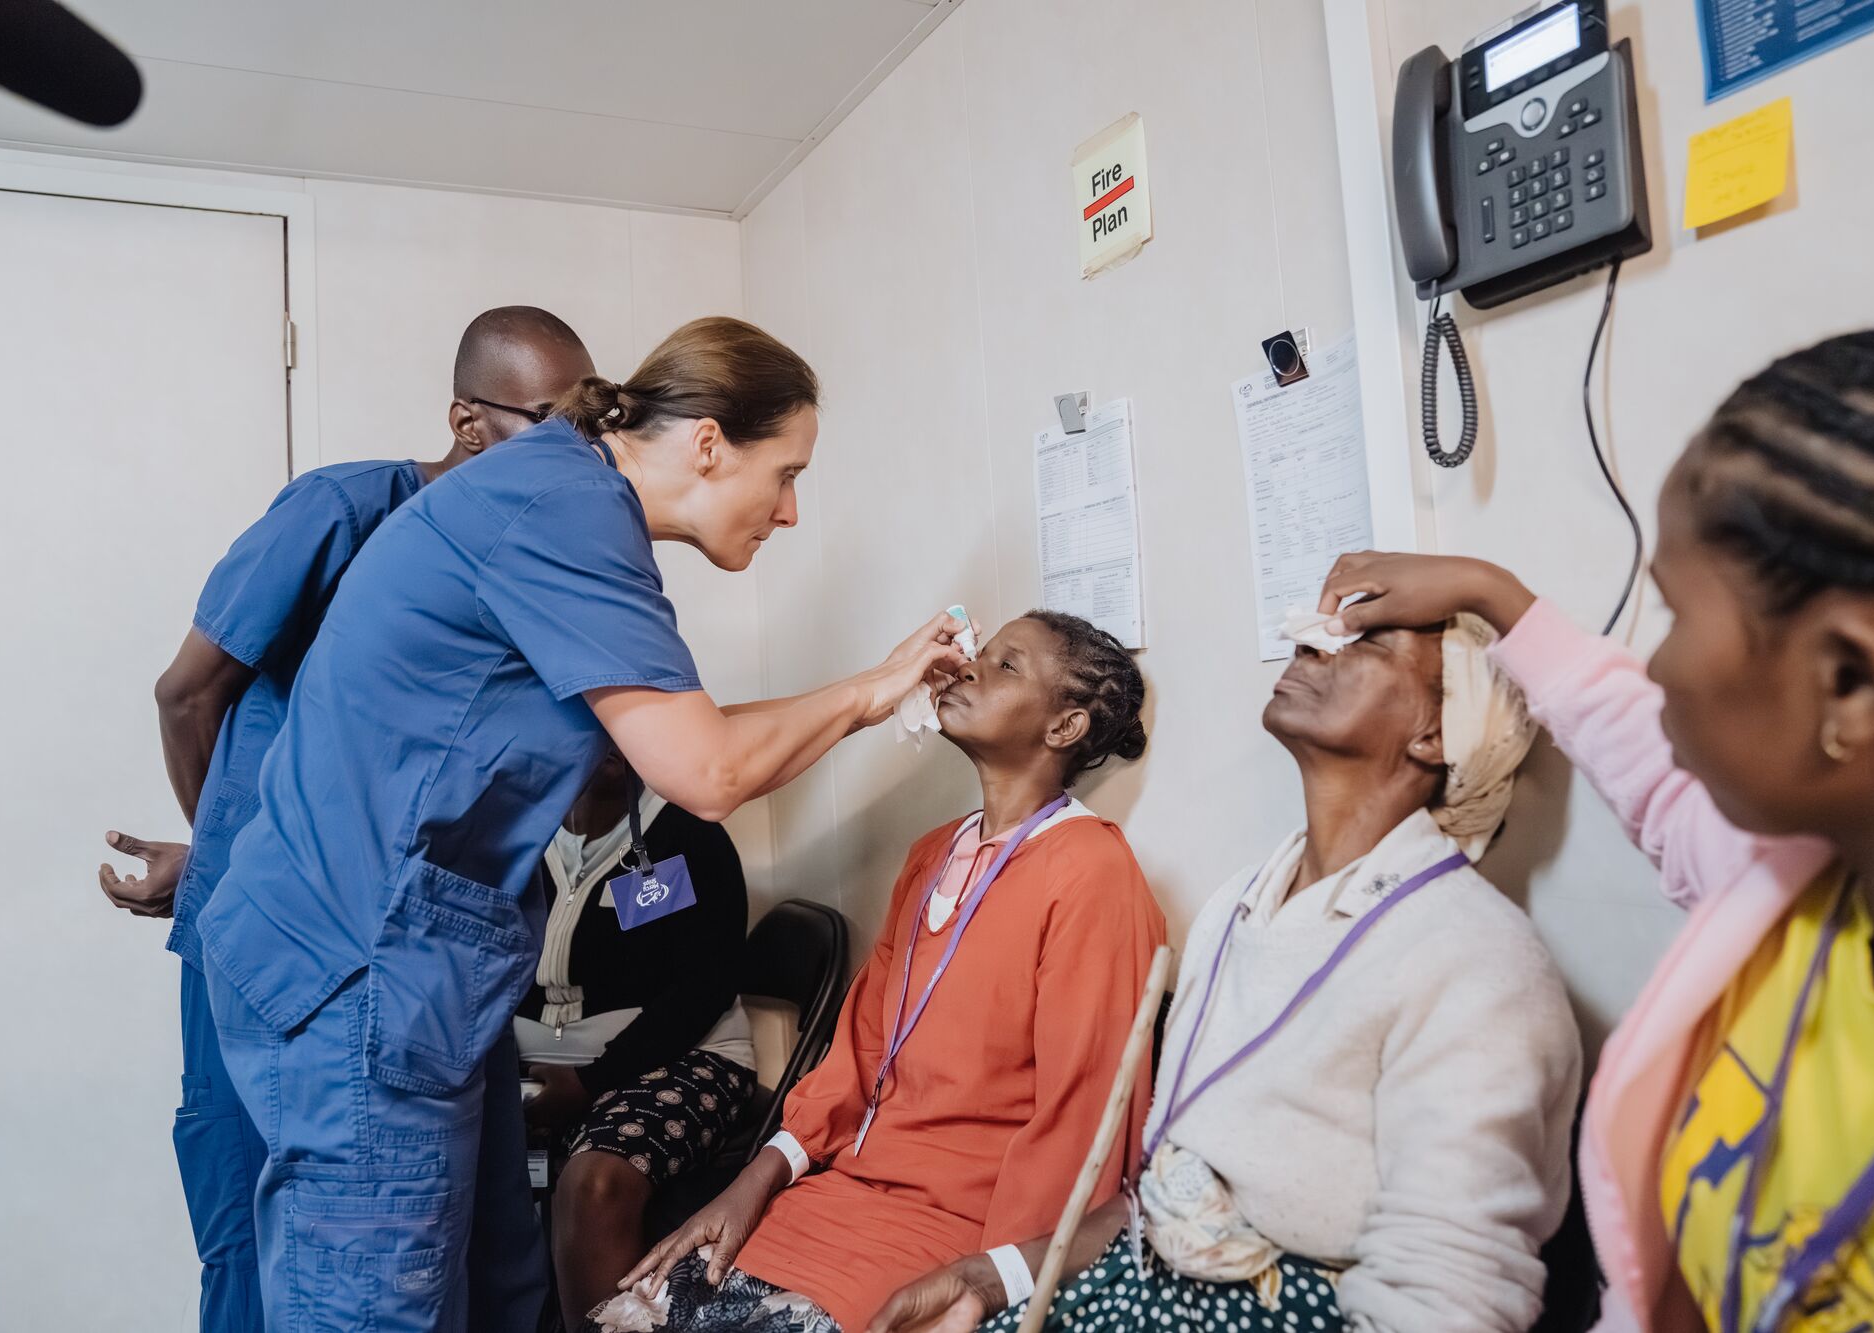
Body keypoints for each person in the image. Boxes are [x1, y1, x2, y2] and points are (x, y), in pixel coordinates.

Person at [193, 315, 974, 1333]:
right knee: (372, 1311)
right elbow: (708, 770)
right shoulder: (566, 513)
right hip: (363, 965)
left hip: (391, 963)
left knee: (492, 1291)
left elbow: (680, 738)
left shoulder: (556, 494)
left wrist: (867, 688)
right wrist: (869, 695)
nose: (787, 511)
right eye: (783, 472)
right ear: (705, 442)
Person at [1301, 325, 1874, 1332]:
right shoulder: (1795, 898)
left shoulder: (1470, 957)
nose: (1655, 668)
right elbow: (1662, 779)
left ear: (1845, 682)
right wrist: (1494, 595)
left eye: (1670, 614)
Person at [95, 305, 596, 1333]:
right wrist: (238, 868)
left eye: (583, 426)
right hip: (285, 950)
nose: (569, 453)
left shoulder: (524, 555)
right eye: (544, 421)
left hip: (426, 958)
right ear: (465, 419)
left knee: (486, 1243)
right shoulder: (343, 510)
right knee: (258, 1246)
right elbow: (188, 693)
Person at [870, 611, 1582, 1333]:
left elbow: (1447, 1305)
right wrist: (992, 1279)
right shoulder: (1239, 906)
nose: (1309, 641)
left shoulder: (1480, 961)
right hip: (1140, 1284)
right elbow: (1162, 1197)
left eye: (1368, 644)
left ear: (1433, 733)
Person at [598, 611, 1166, 1333]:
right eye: (978, 654)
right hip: (842, 1197)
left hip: (963, 1230)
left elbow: (1081, 1124)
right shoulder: (934, 855)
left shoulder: (1091, 872)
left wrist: (994, 1289)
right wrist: (748, 1187)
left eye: (1006, 666)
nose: (966, 668)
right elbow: (856, 1058)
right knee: (637, 1317)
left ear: (1064, 727)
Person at [520, 747, 758, 1327]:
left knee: (594, 1183)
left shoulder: (686, 836)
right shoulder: (516, 837)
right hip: (531, 1059)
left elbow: (702, 989)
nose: (608, 740)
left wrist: (589, 1082)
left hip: (685, 1054)